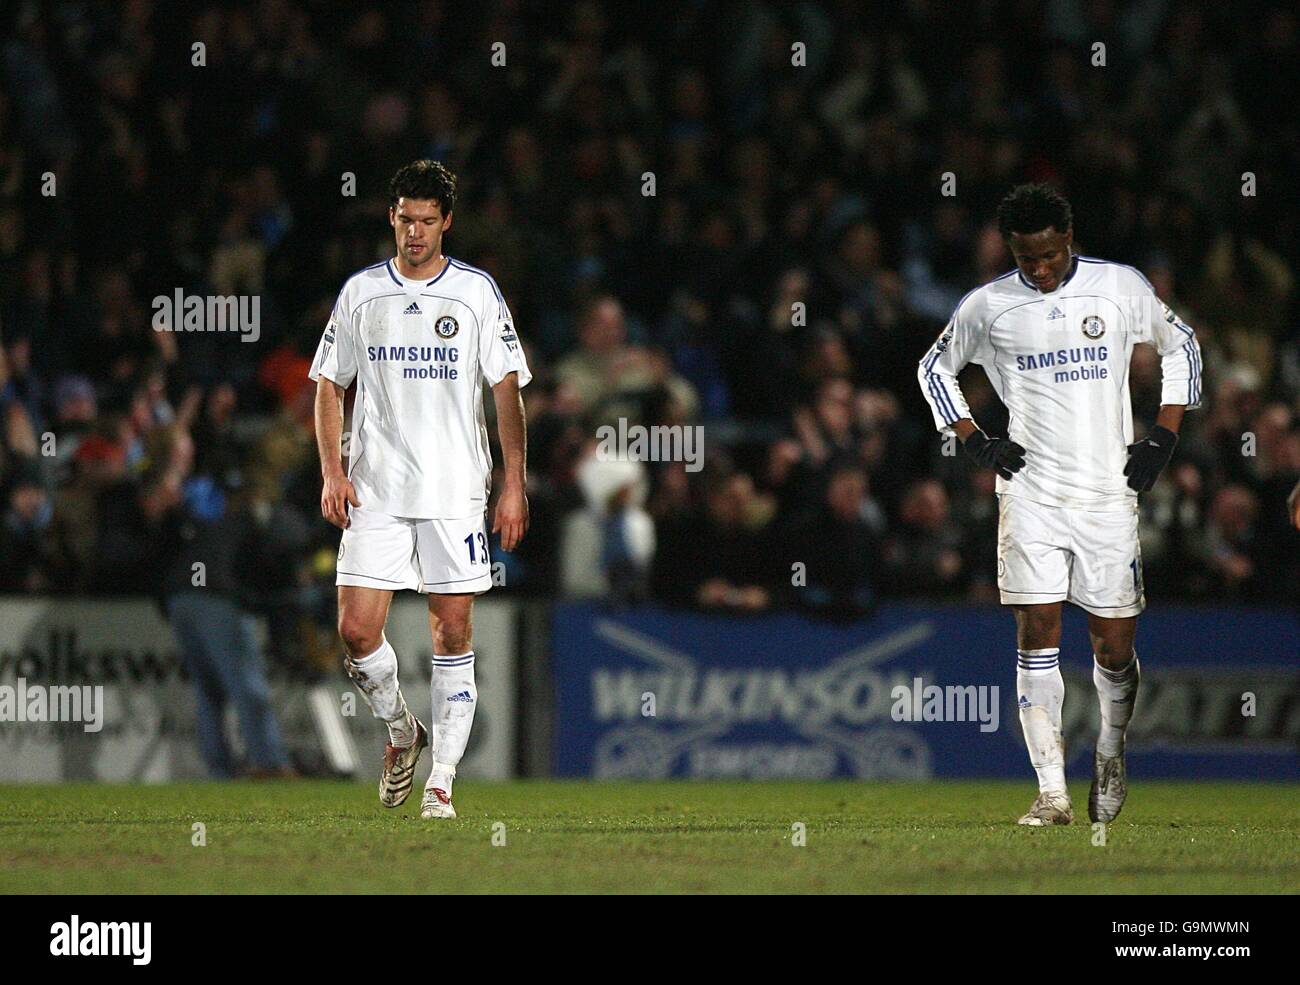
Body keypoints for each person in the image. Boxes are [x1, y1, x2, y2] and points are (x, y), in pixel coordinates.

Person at [917, 183, 1202, 827]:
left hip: (1108, 492)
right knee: (1036, 631)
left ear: (1067, 239)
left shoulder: (1120, 287)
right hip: (1032, 493)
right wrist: (974, 441)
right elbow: (934, 369)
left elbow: (1182, 345)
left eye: (1047, 255)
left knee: (1112, 647)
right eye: (1025, 258)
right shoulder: (988, 307)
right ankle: (1051, 792)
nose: (1038, 269)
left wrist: (1164, 432)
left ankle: (1110, 749)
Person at [310, 160, 531, 819]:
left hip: (455, 488)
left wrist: (514, 481)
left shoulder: (475, 293)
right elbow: (328, 384)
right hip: (375, 488)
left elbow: (508, 391)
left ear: (447, 223)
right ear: (391, 217)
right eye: (405, 219)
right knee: (354, 629)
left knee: (453, 626)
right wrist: (332, 469)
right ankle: (403, 729)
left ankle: (443, 781)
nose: (414, 232)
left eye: (427, 221)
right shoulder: (360, 295)